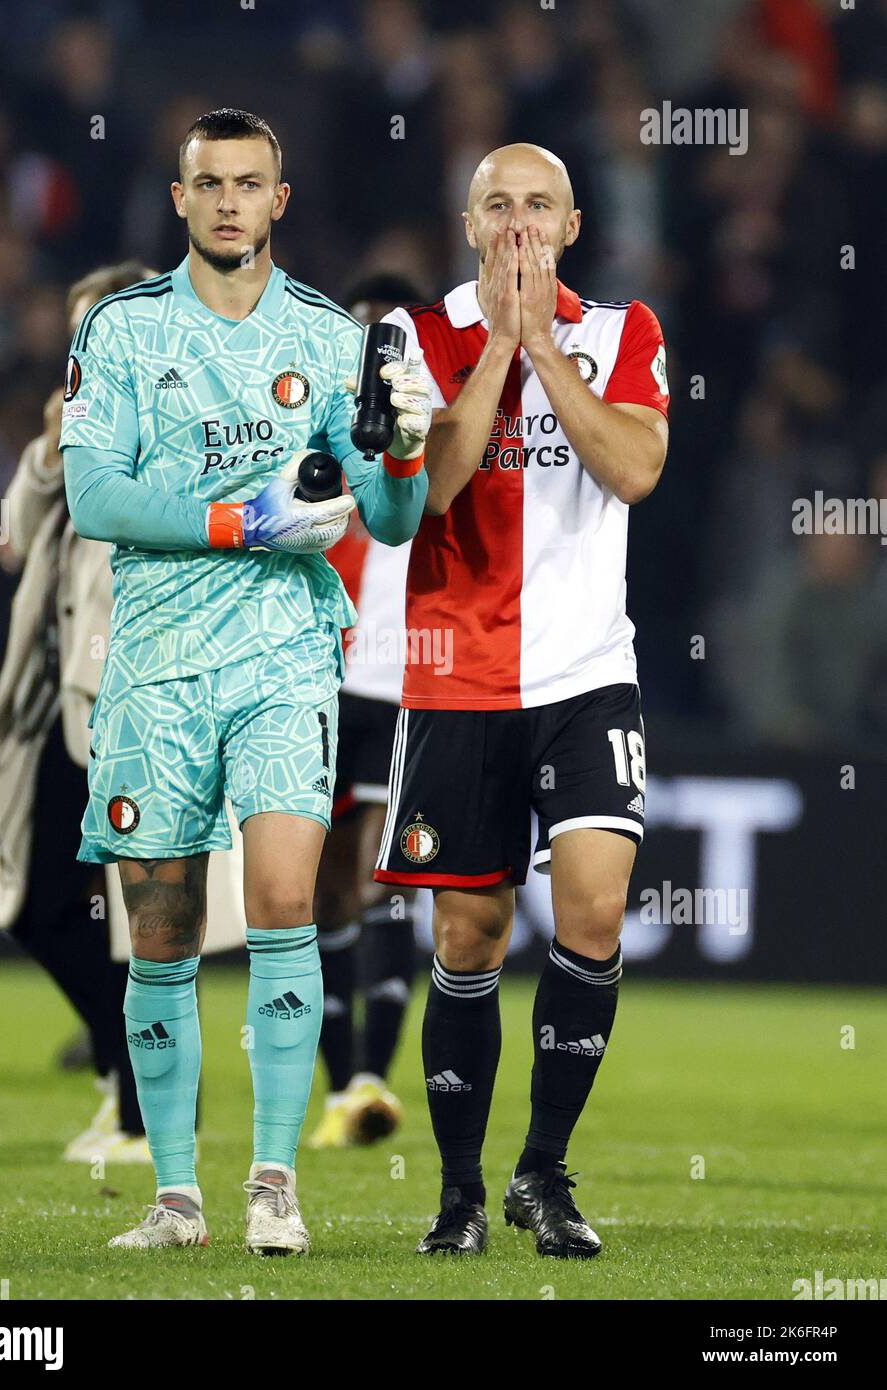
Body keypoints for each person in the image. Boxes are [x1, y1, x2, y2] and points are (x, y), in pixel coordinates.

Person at [59, 109, 431, 1255]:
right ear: (180, 200)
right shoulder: (120, 330)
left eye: (250, 182)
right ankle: (177, 1197)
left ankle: (275, 1183)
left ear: (280, 199)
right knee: (162, 931)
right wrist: (239, 518)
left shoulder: (328, 336)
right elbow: (95, 498)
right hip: (157, 664)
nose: (229, 201)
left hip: (282, 654)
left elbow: (390, 514)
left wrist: (410, 447)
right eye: (208, 182)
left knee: (282, 903)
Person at [373, 143, 670, 1257]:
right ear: (468, 225)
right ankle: (457, 1190)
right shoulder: (412, 336)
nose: (518, 224)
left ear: (573, 224)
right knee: (470, 931)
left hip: (588, 672)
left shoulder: (622, 332)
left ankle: (543, 1174)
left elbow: (634, 468)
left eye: (539, 205)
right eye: (498, 205)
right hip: (456, 674)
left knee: (592, 910)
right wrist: (500, 341)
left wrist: (545, 343)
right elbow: (429, 490)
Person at [0, 262, 157, 1164]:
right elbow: (11, 543)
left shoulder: (169, 419)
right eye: (79, 329)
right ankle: (126, 1084)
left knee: (137, 915)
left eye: (101, 326)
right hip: (56, 706)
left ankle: (141, 1109)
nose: (84, 347)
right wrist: (48, 453)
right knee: (40, 907)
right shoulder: (72, 424)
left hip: (129, 706)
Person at [310, 275, 424, 1150]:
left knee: (386, 878)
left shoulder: (437, 422)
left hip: (401, 681)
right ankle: (339, 1082)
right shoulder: (308, 423)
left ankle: (373, 1078)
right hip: (314, 676)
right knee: (319, 886)